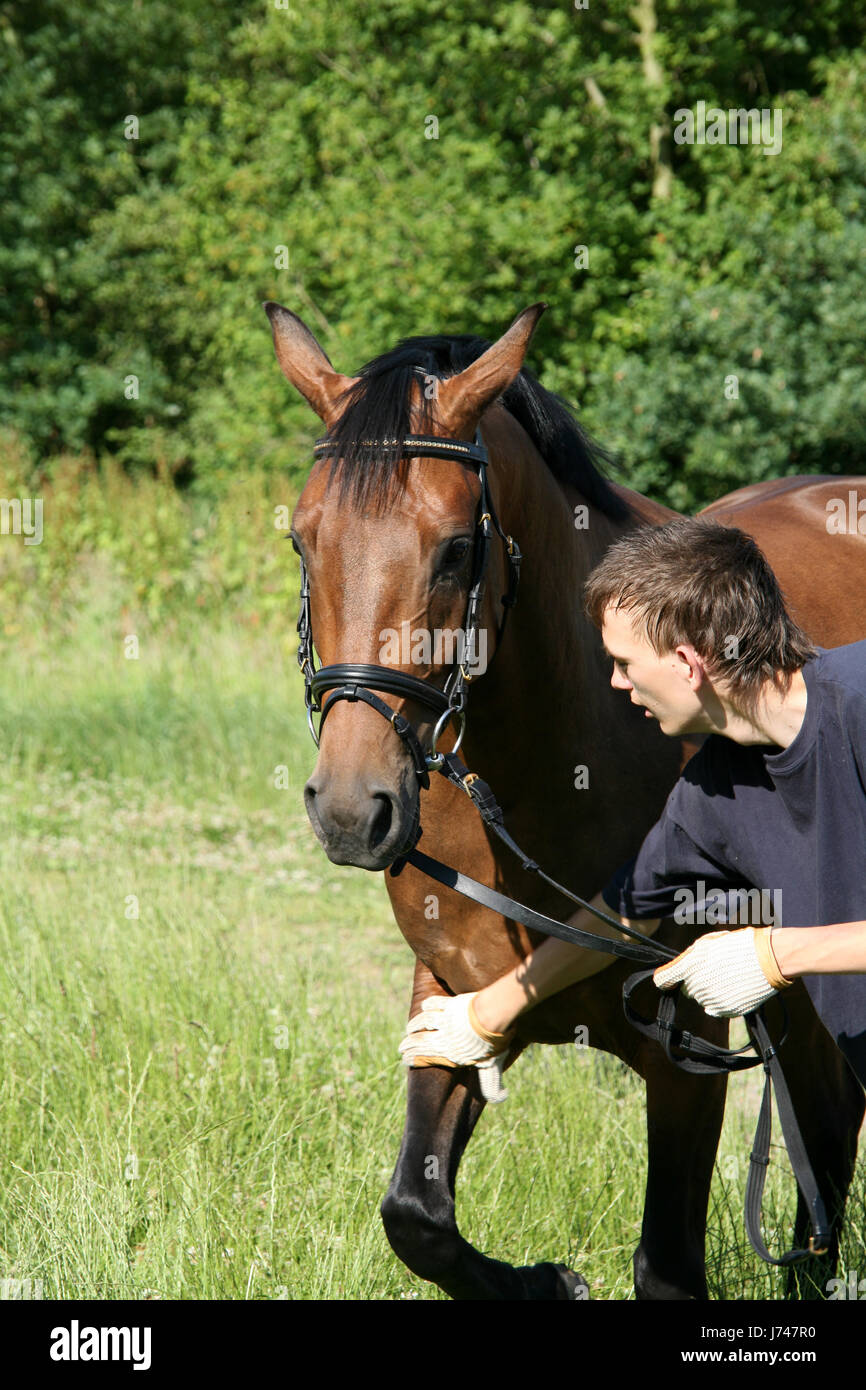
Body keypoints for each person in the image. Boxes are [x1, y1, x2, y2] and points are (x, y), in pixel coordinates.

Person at [399, 517, 866, 1098]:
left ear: (687, 664)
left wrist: (779, 952)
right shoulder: (712, 791)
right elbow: (623, 912)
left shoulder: (859, 704)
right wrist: (485, 1014)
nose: (617, 683)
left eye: (623, 663)